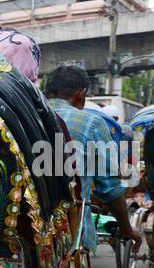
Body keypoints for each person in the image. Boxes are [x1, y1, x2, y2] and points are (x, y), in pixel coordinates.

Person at [44, 65, 143, 252]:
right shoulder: (92, 124)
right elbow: (111, 189)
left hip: (22, 225)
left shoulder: (26, 114)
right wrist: (127, 229)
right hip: (70, 231)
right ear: (80, 94)